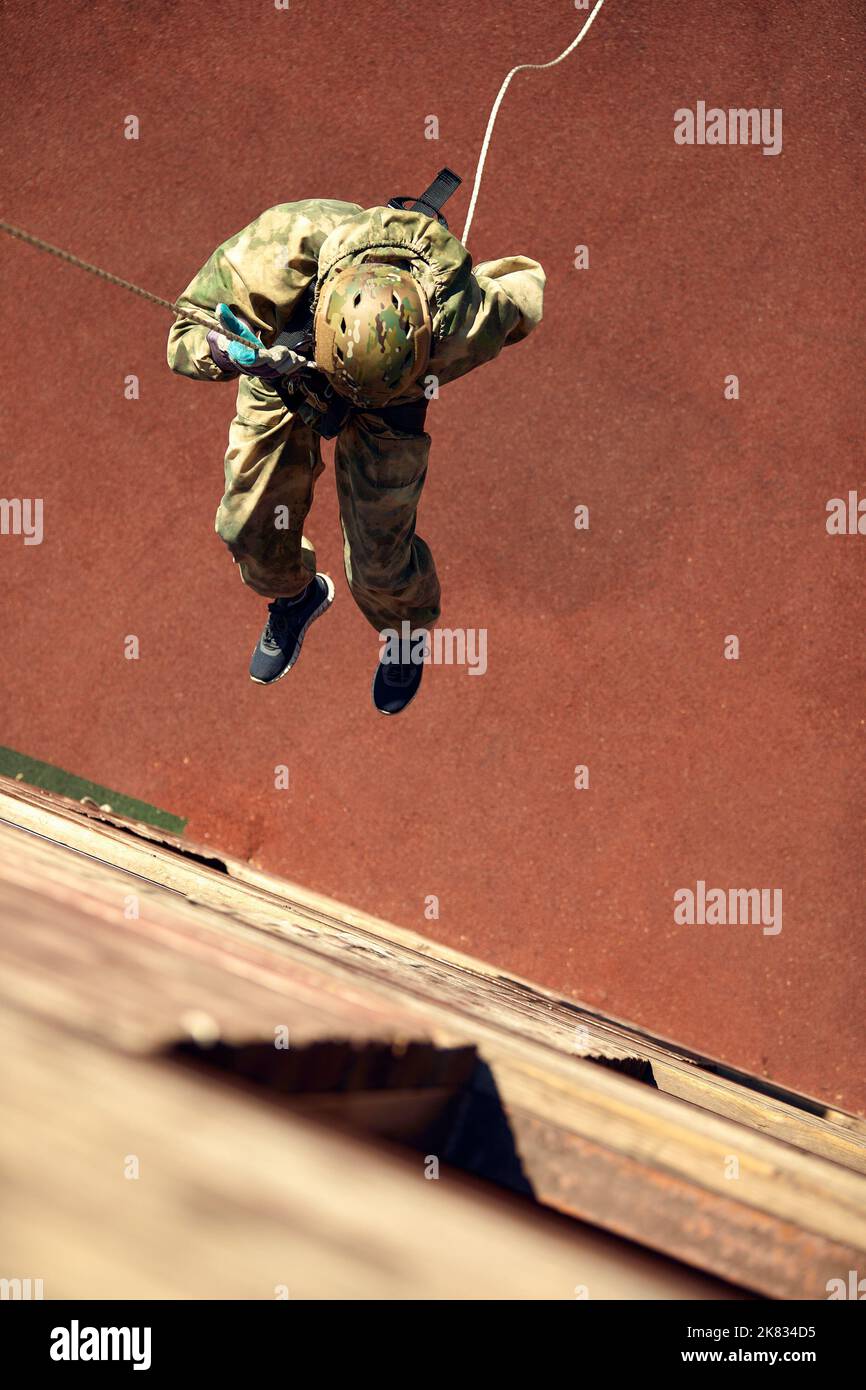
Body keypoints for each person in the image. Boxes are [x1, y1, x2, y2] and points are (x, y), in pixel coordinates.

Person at [167, 187, 544, 713]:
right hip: (282, 368)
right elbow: (184, 332)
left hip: (391, 405)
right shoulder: (280, 248)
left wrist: (466, 282)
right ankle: (297, 597)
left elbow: (525, 288)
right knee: (249, 527)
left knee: (381, 563)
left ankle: (404, 630)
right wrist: (224, 351)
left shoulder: (463, 323)